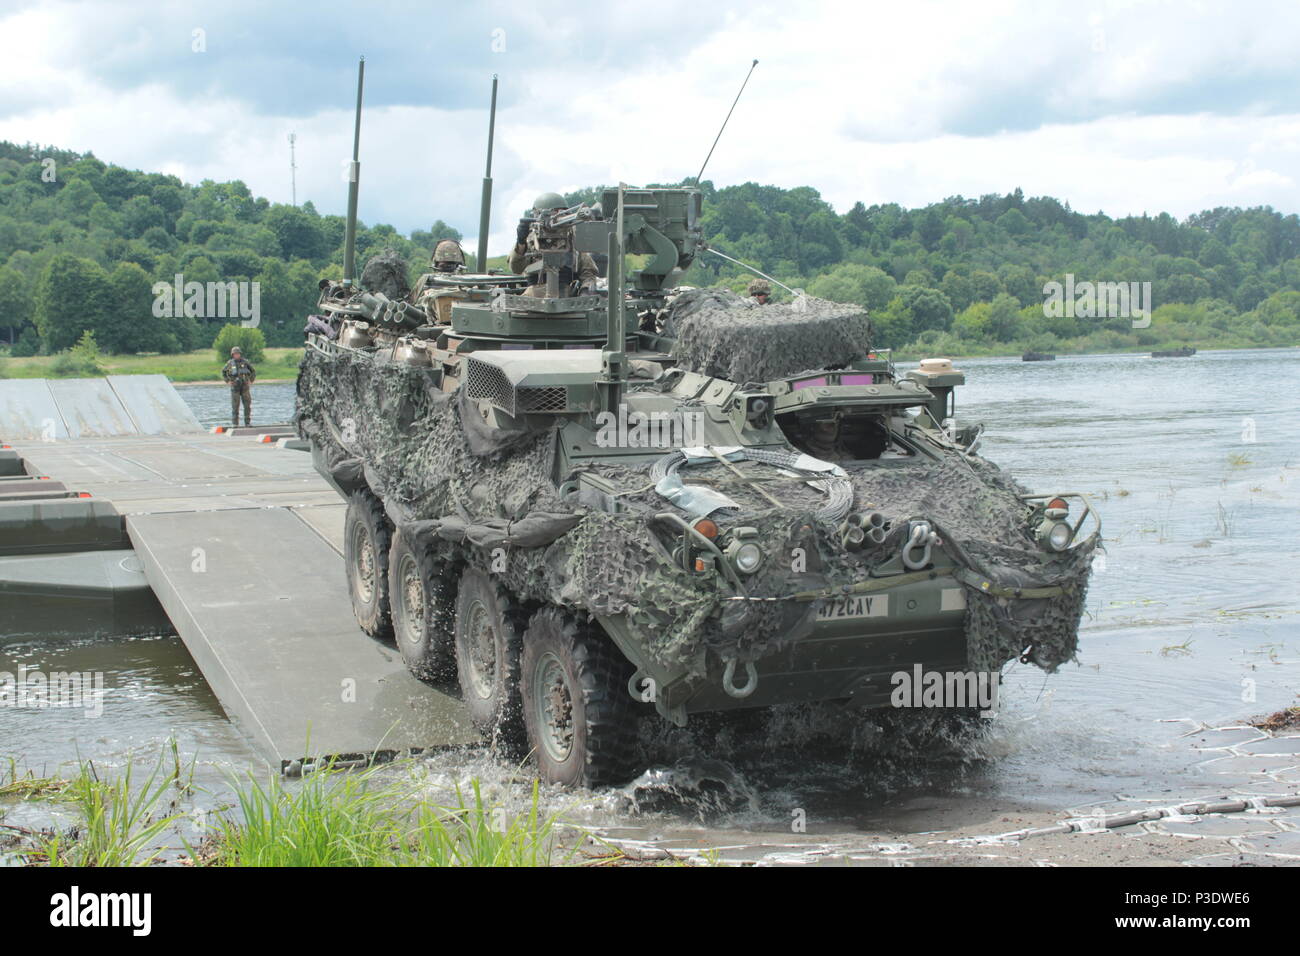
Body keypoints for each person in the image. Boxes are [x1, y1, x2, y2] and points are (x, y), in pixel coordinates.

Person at [508, 192, 597, 298]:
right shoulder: (531, 240)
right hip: (534, 297)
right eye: (554, 213)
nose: (560, 216)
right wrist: (521, 243)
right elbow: (516, 268)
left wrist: (585, 290)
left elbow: (588, 273)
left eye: (563, 213)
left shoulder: (572, 239)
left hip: (566, 297)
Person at [222, 346, 256, 426]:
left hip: (245, 387)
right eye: (235, 354)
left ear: (240, 354)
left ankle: (247, 423)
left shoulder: (246, 362)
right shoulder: (230, 363)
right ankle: (235, 424)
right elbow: (223, 372)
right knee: (235, 406)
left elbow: (253, 371)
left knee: (247, 405)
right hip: (235, 387)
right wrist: (228, 381)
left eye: (238, 354)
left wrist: (251, 380)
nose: (236, 355)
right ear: (232, 355)